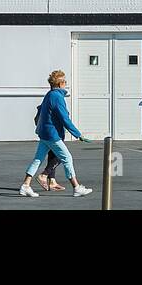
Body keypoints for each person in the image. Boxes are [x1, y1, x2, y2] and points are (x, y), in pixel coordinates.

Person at [19, 70, 92, 198]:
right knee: (67, 158)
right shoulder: (57, 97)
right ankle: (76, 187)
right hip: (52, 134)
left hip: (44, 133)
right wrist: (78, 134)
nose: (65, 84)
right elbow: (64, 118)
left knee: (37, 159)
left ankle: (26, 185)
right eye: (64, 82)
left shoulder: (49, 94)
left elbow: (40, 111)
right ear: (60, 84)